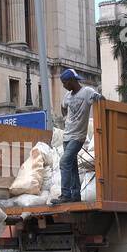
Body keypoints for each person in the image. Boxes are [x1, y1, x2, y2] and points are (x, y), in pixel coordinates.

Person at [51, 68, 104, 205]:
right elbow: (63, 106)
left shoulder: (86, 92)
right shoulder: (67, 96)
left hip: (78, 136)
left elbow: (98, 98)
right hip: (67, 136)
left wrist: (99, 99)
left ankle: (65, 194)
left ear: (72, 81)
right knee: (72, 165)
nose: (63, 85)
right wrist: (65, 118)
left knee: (64, 162)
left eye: (65, 82)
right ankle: (75, 195)